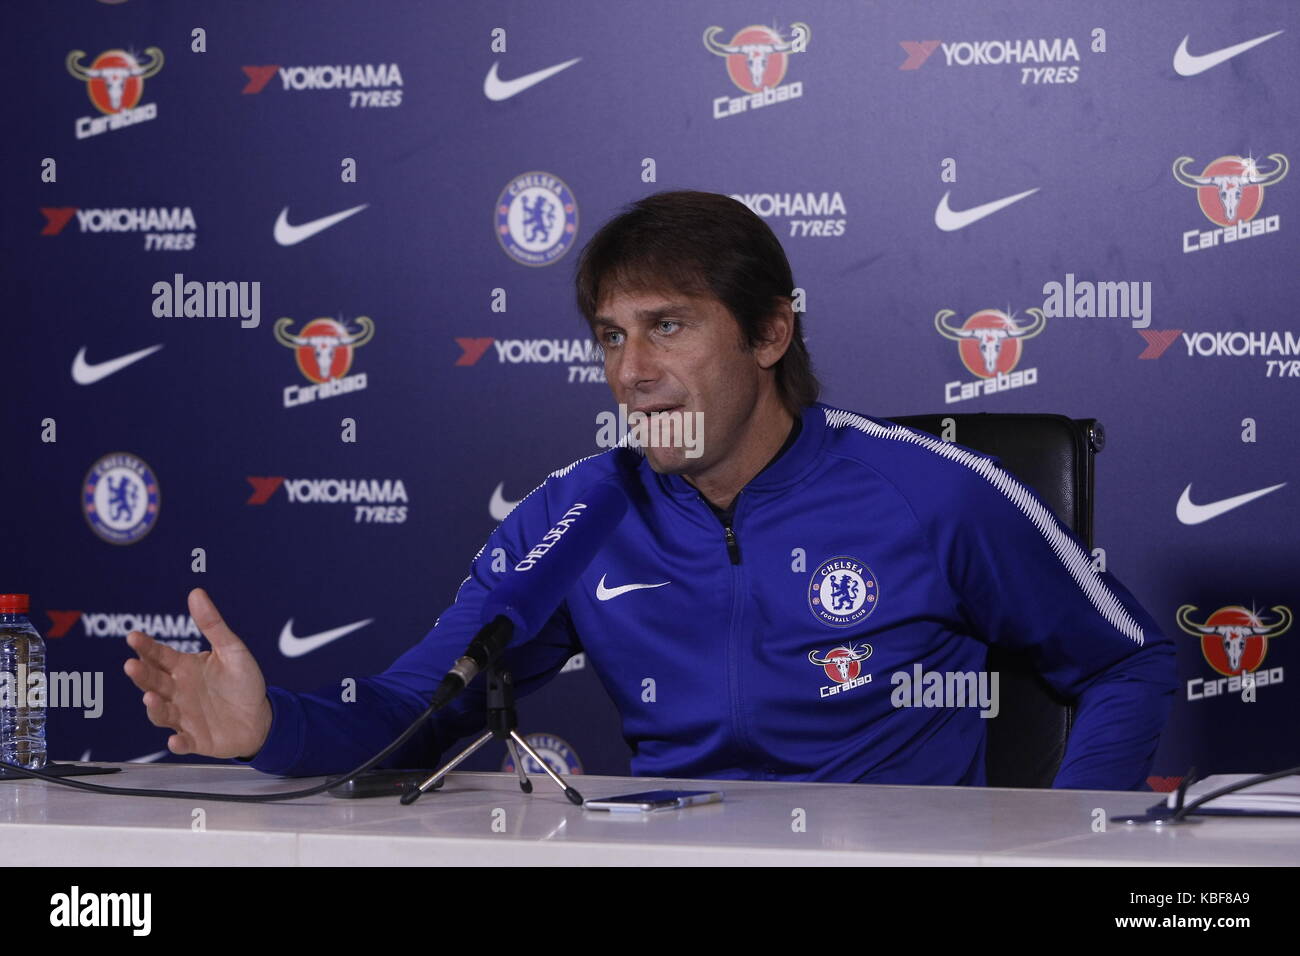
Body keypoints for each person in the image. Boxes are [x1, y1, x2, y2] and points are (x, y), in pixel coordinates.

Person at [125, 191, 1177, 789]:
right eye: (611, 336)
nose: (632, 371)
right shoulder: (580, 511)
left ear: (770, 333)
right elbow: (417, 709)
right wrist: (276, 729)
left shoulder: (931, 492)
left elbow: (1130, 659)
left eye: (668, 325)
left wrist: (1065, 848)